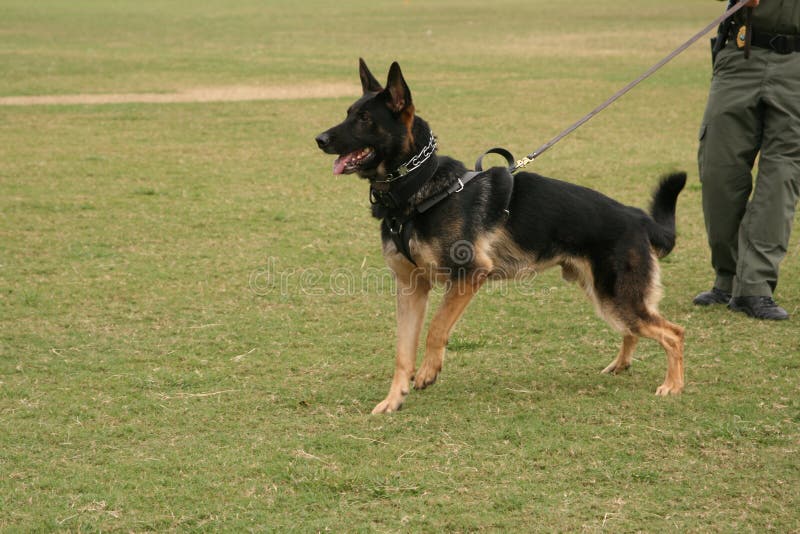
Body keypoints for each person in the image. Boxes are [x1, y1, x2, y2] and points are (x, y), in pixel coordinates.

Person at [694, 0, 800, 320]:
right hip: (741, 52)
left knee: (781, 176)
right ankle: (727, 277)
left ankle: (754, 286)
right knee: (718, 169)